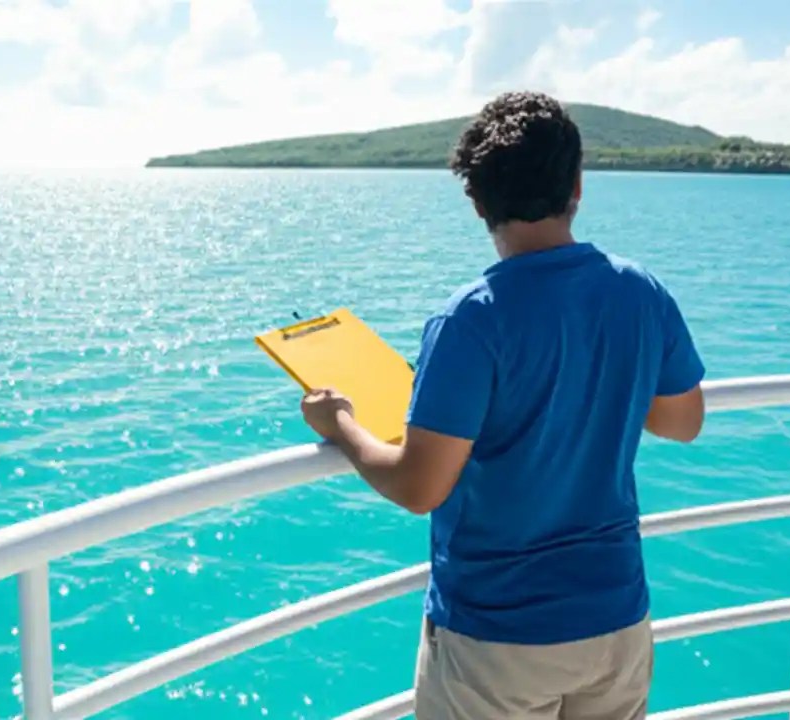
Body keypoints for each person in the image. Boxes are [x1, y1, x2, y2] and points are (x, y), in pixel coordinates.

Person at [299, 91, 706, 720]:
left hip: (498, 639)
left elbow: (419, 486)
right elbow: (684, 420)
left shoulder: (472, 320)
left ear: (476, 200)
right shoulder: (638, 291)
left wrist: (341, 423)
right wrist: (603, 380)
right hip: (616, 618)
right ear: (577, 186)